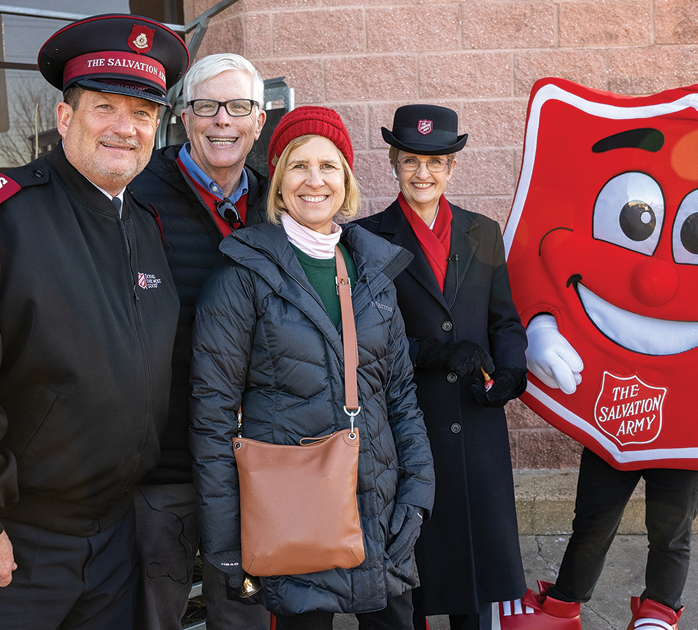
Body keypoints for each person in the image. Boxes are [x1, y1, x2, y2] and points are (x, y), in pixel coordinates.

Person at [0, 14, 187, 629]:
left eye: (142, 115)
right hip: (8, 544)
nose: (124, 128)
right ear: (64, 119)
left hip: (109, 541)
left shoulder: (141, 225)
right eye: (105, 107)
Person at [189, 106, 436, 629]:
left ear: (345, 179)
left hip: (381, 506)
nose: (314, 180)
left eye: (328, 166)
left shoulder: (374, 272)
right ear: (278, 183)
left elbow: (402, 400)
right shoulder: (242, 275)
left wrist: (416, 497)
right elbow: (212, 416)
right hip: (291, 512)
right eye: (298, 166)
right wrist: (227, 540)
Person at [355, 104, 529, 630]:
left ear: (453, 166)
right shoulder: (366, 238)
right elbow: (363, 340)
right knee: (416, 559)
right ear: (394, 163)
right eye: (410, 161)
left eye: (434, 162)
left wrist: (513, 372)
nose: (423, 174)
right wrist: (431, 353)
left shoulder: (483, 232)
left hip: (476, 422)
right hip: (410, 421)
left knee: (474, 571)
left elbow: (505, 322)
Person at [127, 52, 271, 630]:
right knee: (152, 610)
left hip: (254, 463)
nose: (223, 122)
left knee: (244, 614)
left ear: (258, 121)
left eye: (238, 108)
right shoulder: (136, 197)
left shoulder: (277, 206)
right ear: (183, 118)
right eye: (207, 107)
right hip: (165, 460)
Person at [516, 323, 698, 630]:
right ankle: (562, 607)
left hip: (687, 424)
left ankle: (658, 614)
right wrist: (541, 328)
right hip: (616, 418)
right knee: (593, 523)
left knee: (671, 532)